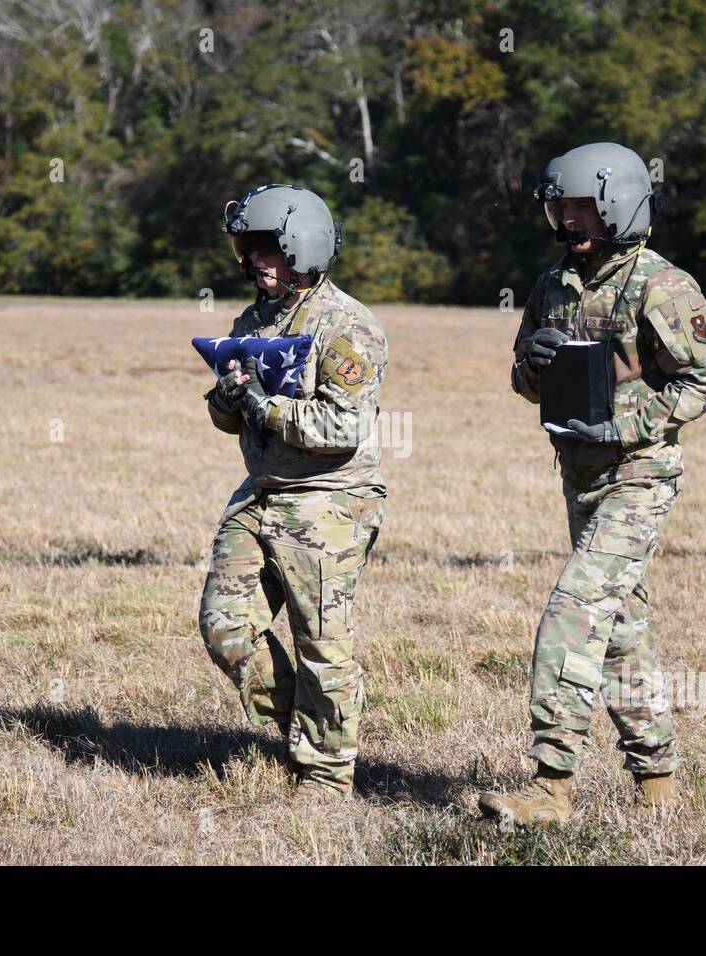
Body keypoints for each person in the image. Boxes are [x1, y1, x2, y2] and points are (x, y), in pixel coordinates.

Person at [479, 143, 706, 827]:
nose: (567, 218)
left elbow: (704, 382)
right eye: (559, 205)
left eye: (580, 204)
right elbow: (523, 381)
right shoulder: (552, 284)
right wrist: (534, 361)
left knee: (575, 607)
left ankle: (550, 784)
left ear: (618, 204)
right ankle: (657, 781)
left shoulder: (661, 284)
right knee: (620, 627)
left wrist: (623, 417)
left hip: (639, 476)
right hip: (579, 478)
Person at [198, 184, 388, 800]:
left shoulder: (348, 326)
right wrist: (227, 403)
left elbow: (342, 428)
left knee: (322, 644)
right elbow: (232, 416)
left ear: (304, 248)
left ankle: (326, 778)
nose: (255, 261)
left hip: (330, 500)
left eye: (268, 248)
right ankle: (300, 727)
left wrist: (266, 406)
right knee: (225, 626)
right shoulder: (251, 322)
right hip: (262, 492)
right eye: (247, 249)